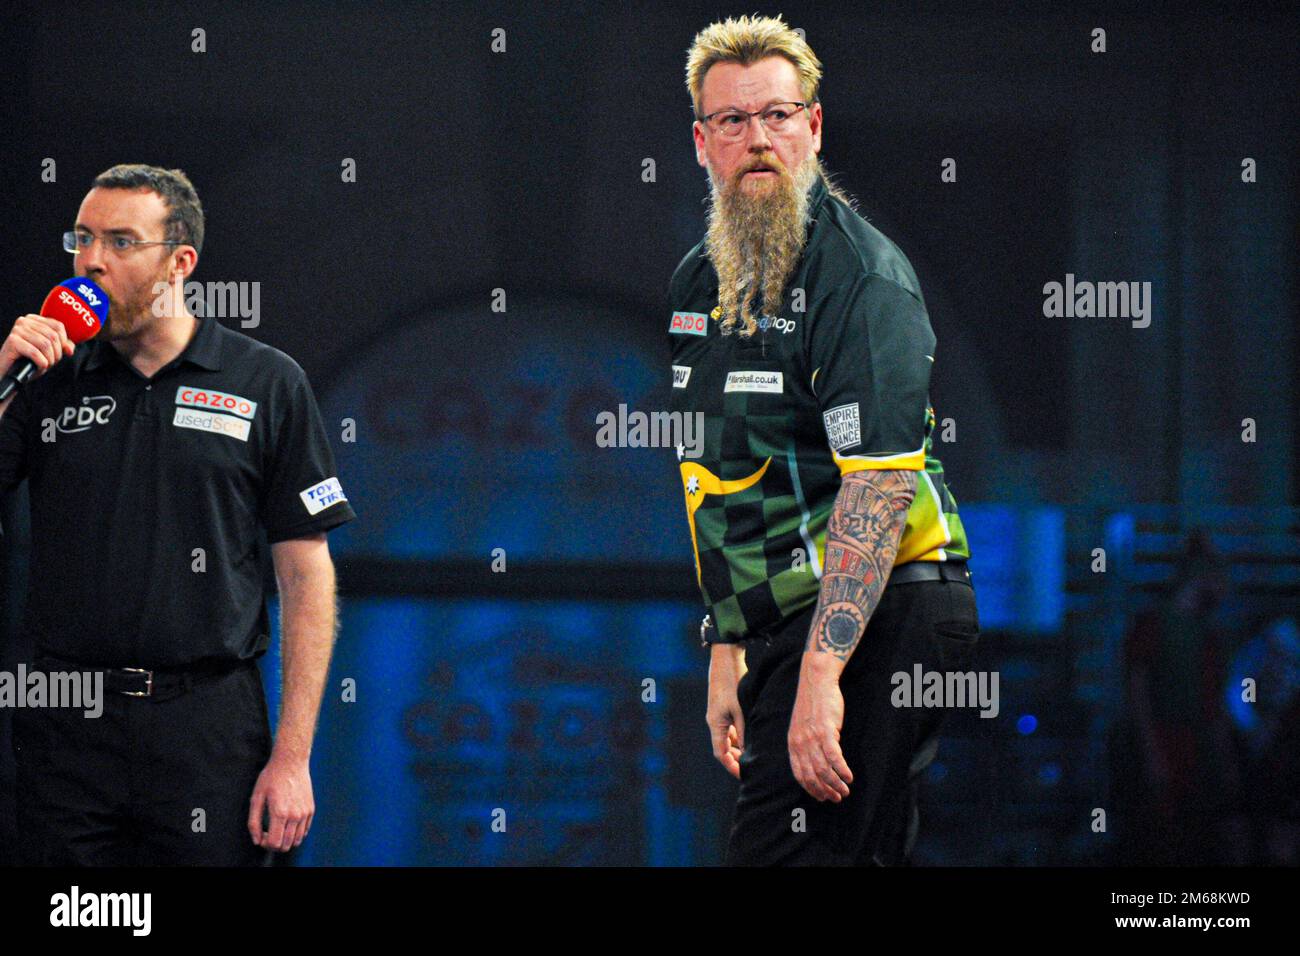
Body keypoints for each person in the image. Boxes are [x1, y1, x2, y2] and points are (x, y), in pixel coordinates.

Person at [669, 16, 978, 865]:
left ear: (813, 127)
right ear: (702, 143)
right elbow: (717, 474)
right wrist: (725, 649)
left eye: (776, 114)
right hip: (782, 621)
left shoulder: (861, 277)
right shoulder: (699, 281)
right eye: (732, 121)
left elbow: (877, 488)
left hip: (889, 607)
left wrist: (819, 678)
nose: (756, 138)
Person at [0, 164, 355, 865]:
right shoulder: (45, 379)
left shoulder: (265, 381)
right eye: (83, 238)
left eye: (122, 241)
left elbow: (306, 576)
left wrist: (292, 759)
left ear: (180, 263)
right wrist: (3, 385)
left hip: (209, 725)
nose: (91, 261)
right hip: (67, 722)